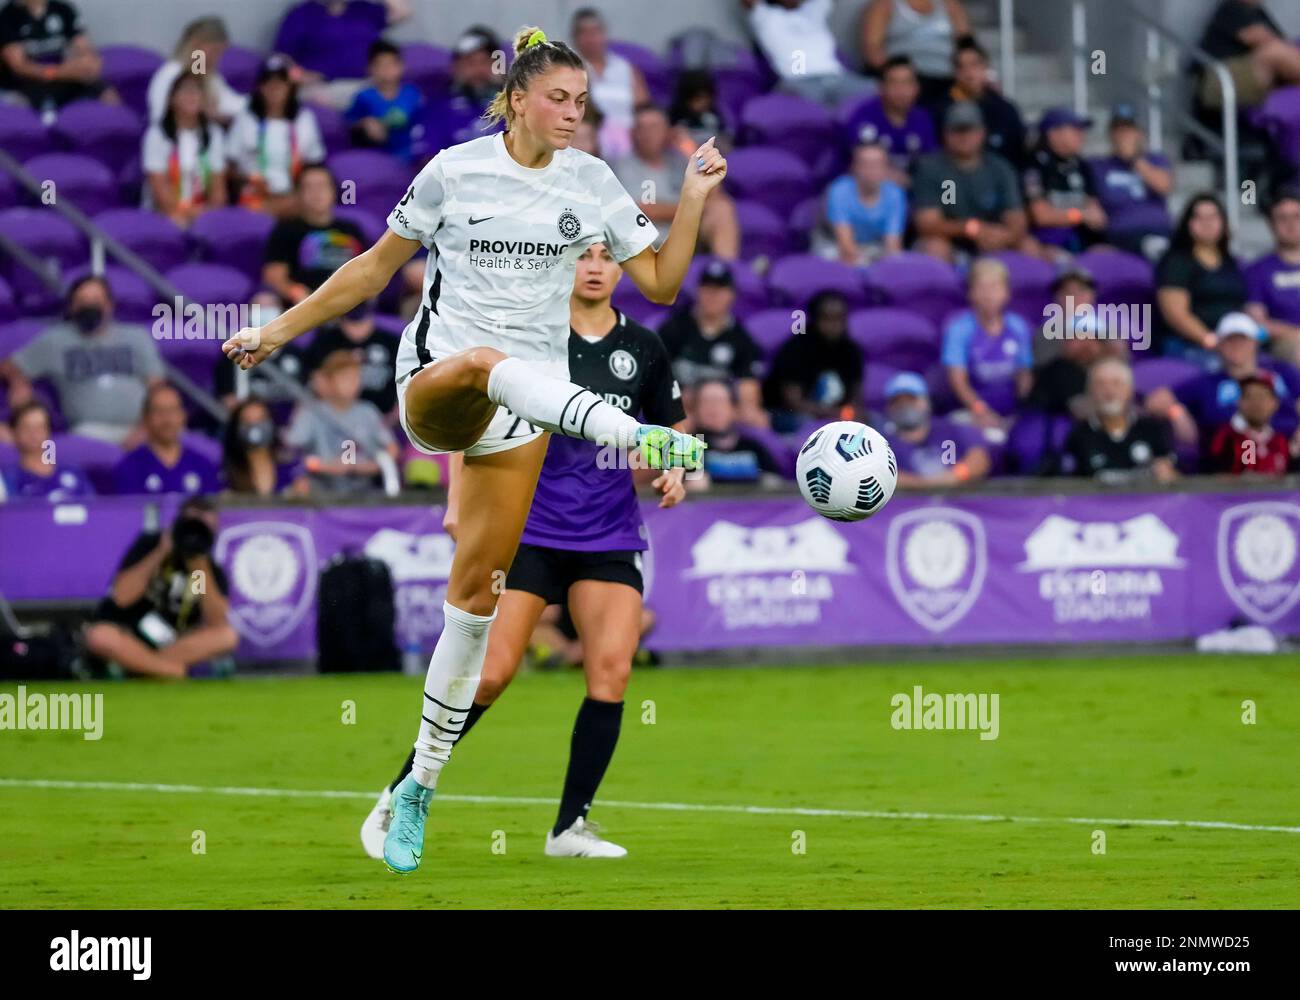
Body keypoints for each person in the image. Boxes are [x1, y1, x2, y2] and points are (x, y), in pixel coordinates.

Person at [224, 25, 717, 874]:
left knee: (473, 607)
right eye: (557, 99)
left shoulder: (591, 181)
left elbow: (665, 285)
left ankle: (416, 784)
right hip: (439, 388)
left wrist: (694, 195)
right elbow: (373, 271)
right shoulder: (454, 170)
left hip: (522, 417)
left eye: (582, 102)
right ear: (517, 98)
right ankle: (622, 429)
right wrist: (278, 330)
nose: (572, 114)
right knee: (491, 364)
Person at [360, 241, 688, 860]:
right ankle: (402, 791)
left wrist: (671, 466)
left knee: (611, 673)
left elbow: (667, 430)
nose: (594, 266)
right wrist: (458, 500)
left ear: (621, 266)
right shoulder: (532, 337)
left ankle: (570, 830)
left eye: (605, 255)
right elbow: (471, 417)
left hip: (608, 531)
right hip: (528, 529)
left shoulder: (644, 345)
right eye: (583, 254)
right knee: (489, 675)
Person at [83, 495, 237, 679]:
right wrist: (161, 551)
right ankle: (170, 671)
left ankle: (141, 667)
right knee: (100, 636)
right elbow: (122, 597)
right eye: (190, 525)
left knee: (227, 636)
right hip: (130, 634)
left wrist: (198, 565)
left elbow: (216, 620)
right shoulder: (150, 545)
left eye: (202, 528)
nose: (194, 533)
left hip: (171, 643)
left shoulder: (205, 567)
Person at [0, 276, 164, 444]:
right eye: (82, 300)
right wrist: (18, 380)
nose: (89, 305)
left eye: (96, 300)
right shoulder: (56, 340)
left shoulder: (137, 337)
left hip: (142, 428)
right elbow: (8, 367)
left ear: (110, 305)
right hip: (88, 431)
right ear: (71, 307)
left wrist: (146, 428)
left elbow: (158, 389)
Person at [612, 102, 739, 260]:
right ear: (633, 133)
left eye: (655, 127)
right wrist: (696, 208)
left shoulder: (678, 161)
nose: (647, 133)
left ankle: (725, 273)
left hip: (683, 238)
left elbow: (714, 193)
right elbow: (645, 210)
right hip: (646, 245)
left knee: (722, 208)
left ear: (667, 131)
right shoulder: (622, 165)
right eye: (642, 128)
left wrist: (690, 149)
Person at [911, 101, 1032, 263]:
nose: (964, 136)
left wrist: (1004, 236)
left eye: (970, 130)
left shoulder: (999, 167)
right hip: (950, 241)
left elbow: (1017, 219)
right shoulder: (932, 167)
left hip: (992, 238)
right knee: (935, 248)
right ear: (946, 133)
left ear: (982, 132)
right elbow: (927, 224)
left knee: (1029, 247)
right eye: (958, 131)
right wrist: (971, 228)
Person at [657, 259, 766, 425]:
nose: (713, 296)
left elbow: (748, 390)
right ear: (698, 291)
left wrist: (731, 411)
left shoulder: (741, 338)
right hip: (683, 404)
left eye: (720, 290)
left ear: (732, 295)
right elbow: (656, 378)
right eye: (708, 289)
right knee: (679, 422)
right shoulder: (674, 329)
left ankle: (743, 450)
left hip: (723, 405)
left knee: (757, 419)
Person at [1172, 311, 1300, 440]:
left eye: (1242, 340)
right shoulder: (1206, 382)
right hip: (1229, 454)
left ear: (1254, 343)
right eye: (1229, 340)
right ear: (1220, 345)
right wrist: (1177, 413)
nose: (1236, 346)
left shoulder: (1283, 372)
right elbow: (1161, 400)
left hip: (1284, 451)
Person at [287, 347, 397, 494]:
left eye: (356, 378)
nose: (353, 384)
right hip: (321, 484)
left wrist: (370, 466)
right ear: (329, 381)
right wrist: (323, 466)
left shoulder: (368, 411)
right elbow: (292, 453)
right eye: (346, 378)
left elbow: (392, 449)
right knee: (300, 487)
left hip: (364, 486)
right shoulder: (312, 411)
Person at [226, 56, 325, 218]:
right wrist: (249, 180)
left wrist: (300, 191)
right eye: (268, 82)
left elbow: (314, 163)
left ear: (290, 87)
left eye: (281, 82)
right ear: (260, 87)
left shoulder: (304, 119)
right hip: (254, 196)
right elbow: (230, 167)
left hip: (294, 195)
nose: (274, 88)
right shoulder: (246, 118)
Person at [941, 257, 1033, 429]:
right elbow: (958, 380)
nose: (988, 295)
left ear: (1007, 293)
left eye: (995, 287)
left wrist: (1024, 409)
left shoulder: (1018, 326)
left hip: (1011, 410)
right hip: (971, 410)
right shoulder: (959, 329)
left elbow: (1024, 374)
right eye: (982, 288)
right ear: (971, 293)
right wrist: (980, 410)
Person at [1154, 194, 1248, 360]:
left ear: (1224, 223)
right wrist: (1211, 341)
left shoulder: (1233, 263)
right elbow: (1176, 315)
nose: (1207, 223)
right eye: (1199, 217)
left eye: (1213, 217)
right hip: (1190, 345)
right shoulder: (1175, 262)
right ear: (1187, 223)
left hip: (1234, 344)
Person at [1055, 358, 1178, 483]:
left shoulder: (1153, 430)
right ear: (1090, 392)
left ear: (1130, 391)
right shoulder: (1078, 437)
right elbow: (1070, 489)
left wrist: (1167, 474)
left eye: (1116, 383)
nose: (1109, 391)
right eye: (1100, 384)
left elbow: (1177, 480)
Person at [261, 163, 366, 305]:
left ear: (334, 191)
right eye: (309, 187)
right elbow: (274, 276)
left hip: (348, 303)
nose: (316, 193)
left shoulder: (351, 229)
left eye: (322, 186)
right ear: (298, 194)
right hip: (301, 306)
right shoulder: (285, 230)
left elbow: (367, 270)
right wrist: (296, 293)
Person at [273, 0, 410, 108]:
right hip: (325, 88)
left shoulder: (364, 10)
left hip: (369, 85)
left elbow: (402, 12)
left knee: (402, 98)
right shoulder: (302, 15)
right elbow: (279, 61)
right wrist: (301, 76)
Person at [741, 0, 876, 108]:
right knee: (803, 112)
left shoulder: (813, 11)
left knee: (883, 92)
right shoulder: (765, 16)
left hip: (836, 78)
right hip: (798, 83)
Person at [763, 291, 864, 431]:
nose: (834, 325)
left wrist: (850, 413)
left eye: (839, 318)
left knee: (872, 420)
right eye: (827, 318)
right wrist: (834, 414)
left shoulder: (851, 351)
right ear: (814, 320)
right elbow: (792, 402)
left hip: (837, 416)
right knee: (804, 422)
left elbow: (855, 395)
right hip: (792, 415)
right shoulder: (795, 350)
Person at [1088, 103, 1174, 260]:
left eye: (1128, 130)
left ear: (1140, 134)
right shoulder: (1098, 165)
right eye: (1118, 130)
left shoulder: (1156, 159)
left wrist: (1134, 159)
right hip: (1123, 233)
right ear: (1110, 134)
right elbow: (1091, 204)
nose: (1124, 135)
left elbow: (1164, 186)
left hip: (1160, 228)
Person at [142, 71, 227, 227]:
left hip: (202, 210)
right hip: (165, 213)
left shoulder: (214, 134)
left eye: (197, 90)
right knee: (177, 222)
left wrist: (205, 213)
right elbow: (162, 196)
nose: (192, 95)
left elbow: (218, 192)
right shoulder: (157, 136)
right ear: (171, 98)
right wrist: (195, 213)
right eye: (186, 90)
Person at [0, 0, 115, 113]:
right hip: (28, 83)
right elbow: (19, 66)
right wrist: (59, 72)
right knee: (23, 108)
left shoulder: (63, 9)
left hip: (66, 76)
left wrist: (90, 64)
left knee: (107, 95)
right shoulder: (8, 16)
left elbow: (84, 47)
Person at [880, 371, 989, 487]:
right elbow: (879, 474)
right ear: (888, 407)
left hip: (955, 499)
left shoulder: (951, 430)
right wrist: (923, 484)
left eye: (911, 400)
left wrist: (957, 474)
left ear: (926, 401)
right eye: (897, 402)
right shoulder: (882, 442)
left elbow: (980, 459)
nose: (905, 406)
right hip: (909, 502)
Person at [1023, 108, 1107, 257]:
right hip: (1048, 242)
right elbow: (1041, 216)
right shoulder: (1035, 165)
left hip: (1085, 240)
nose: (1081, 135)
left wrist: (1087, 216)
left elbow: (1095, 213)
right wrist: (1079, 215)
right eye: (1074, 129)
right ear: (1053, 133)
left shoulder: (1082, 166)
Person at [112, 383, 221, 496]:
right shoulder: (130, 467)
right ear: (146, 417)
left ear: (183, 416)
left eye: (172, 410)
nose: (167, 419)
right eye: (159, 411)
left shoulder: (203, 465)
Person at [843, 56, 937, 186]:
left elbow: (930, 163)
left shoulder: (923, 119)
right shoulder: (864, 117)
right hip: (870, 188)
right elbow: (857, 164)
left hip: (914, 189)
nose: (901, 90)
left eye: (906, 82)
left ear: (916, 88)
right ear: (880, 87)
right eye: (894, 83)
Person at [570, 7, 649, 160]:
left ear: (604, 34)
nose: (590, 38)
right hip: (592, 139)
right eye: (584, 33)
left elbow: (643, 106)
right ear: (575, 38)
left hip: (632, 139)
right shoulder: (570, 68)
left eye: (595, 32)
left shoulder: (625, 67)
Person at [939, 35, 1027, 170]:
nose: (968, 73)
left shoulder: (1006, 109)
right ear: (954, 72)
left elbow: (1018, 157)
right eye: (961, 66)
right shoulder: (940, 109)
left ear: (985, 67)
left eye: (974, 65)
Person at [862, 0, 969, 109]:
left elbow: (967, 46)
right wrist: (898, 76)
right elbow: (872, 50)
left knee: (967, 99)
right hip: (907, 76)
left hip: (947, 78)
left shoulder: (950, 6)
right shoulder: (885, 5)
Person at [1197, 0, 1300, 111]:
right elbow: (1261, 39)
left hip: (1259, 80)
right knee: (1274, 52)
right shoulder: (1233, 8)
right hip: (1219, 80)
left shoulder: (1261, 15)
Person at [303, 299, 400, 418]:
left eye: (360, 321)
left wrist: (397, 412)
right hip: (334, 417)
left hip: (383, 416)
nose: (356, 330)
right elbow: (313, 378)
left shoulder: (390, 342)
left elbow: (406, 380)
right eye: (352, 322)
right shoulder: (327, 341)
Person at [146, 17, 245, 126]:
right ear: (195, 45)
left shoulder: (209, 76)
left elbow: (234, 104)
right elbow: (160, 116)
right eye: (214, 51)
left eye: (220, 53)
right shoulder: (171, 74)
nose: (216, 58)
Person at [689, 377, 783, 487]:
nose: (713, 409)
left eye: (719, 401)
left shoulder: (753, 446)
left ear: (733, 409)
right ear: (696, 410)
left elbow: (776, 483)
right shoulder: (690, 447)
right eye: (706, 402)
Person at [826, 140, 907, 265]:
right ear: (854, 167)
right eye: (865, 164)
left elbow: (893, 246)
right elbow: (846, 246)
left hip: (874, 248)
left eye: (877, 164)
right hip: (832, 245)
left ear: (887, 168)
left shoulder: (895, 194)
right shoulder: (839, 191)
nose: (871, 170)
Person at [1245, 188, 1300, 366]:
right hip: (1286, 343)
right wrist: (1294, 333)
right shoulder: (1258, 270)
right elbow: (1258, 325)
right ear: (1271, 224)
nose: (1290, 224)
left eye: (1296, 217)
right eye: (1282, 218)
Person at [345, 39, 425, 163]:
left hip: (411, 152)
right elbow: (350, 122)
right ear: (370, 69)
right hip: (379, 155)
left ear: (401, 66)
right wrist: (364, 124)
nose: (386, 70)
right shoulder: (364, 96)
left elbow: (425, 120)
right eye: (380, 65)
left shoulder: (412, 93)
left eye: (391, 64)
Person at [1206, 372, 1300, 475]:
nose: (1256, 403)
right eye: (1249, 397)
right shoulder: (1224, 437)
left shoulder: (1281, 442)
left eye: (1262, 397)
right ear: (1239, 402)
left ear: (1275, 403)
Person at [1, 400, 93, 501]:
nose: (34, 434)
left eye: (40, 427)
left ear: (48, 431)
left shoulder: (73, 472)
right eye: (26, 427)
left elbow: (94, 509)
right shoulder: (8, 480)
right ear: (14, 432)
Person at [221, 396, 308, 496]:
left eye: (261, 419)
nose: (254, 426)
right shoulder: (226, 468)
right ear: (237, 427)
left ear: (271, 423)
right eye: (247, 420)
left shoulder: (290, 464)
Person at [668, 69, 732, 151]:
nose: (704, 103)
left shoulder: (716, 117)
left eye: (707, 98)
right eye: (698, 99)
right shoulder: (675, 122)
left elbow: (727, 145)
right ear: (686, 99)